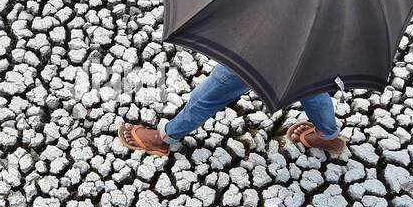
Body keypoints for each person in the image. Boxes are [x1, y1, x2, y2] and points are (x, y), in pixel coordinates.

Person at [118, 63, 347, 157]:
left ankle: (164, 138)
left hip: (269, 38)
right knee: (311, 83)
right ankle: (329, 137)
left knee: (216, 89)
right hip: (314, 40)